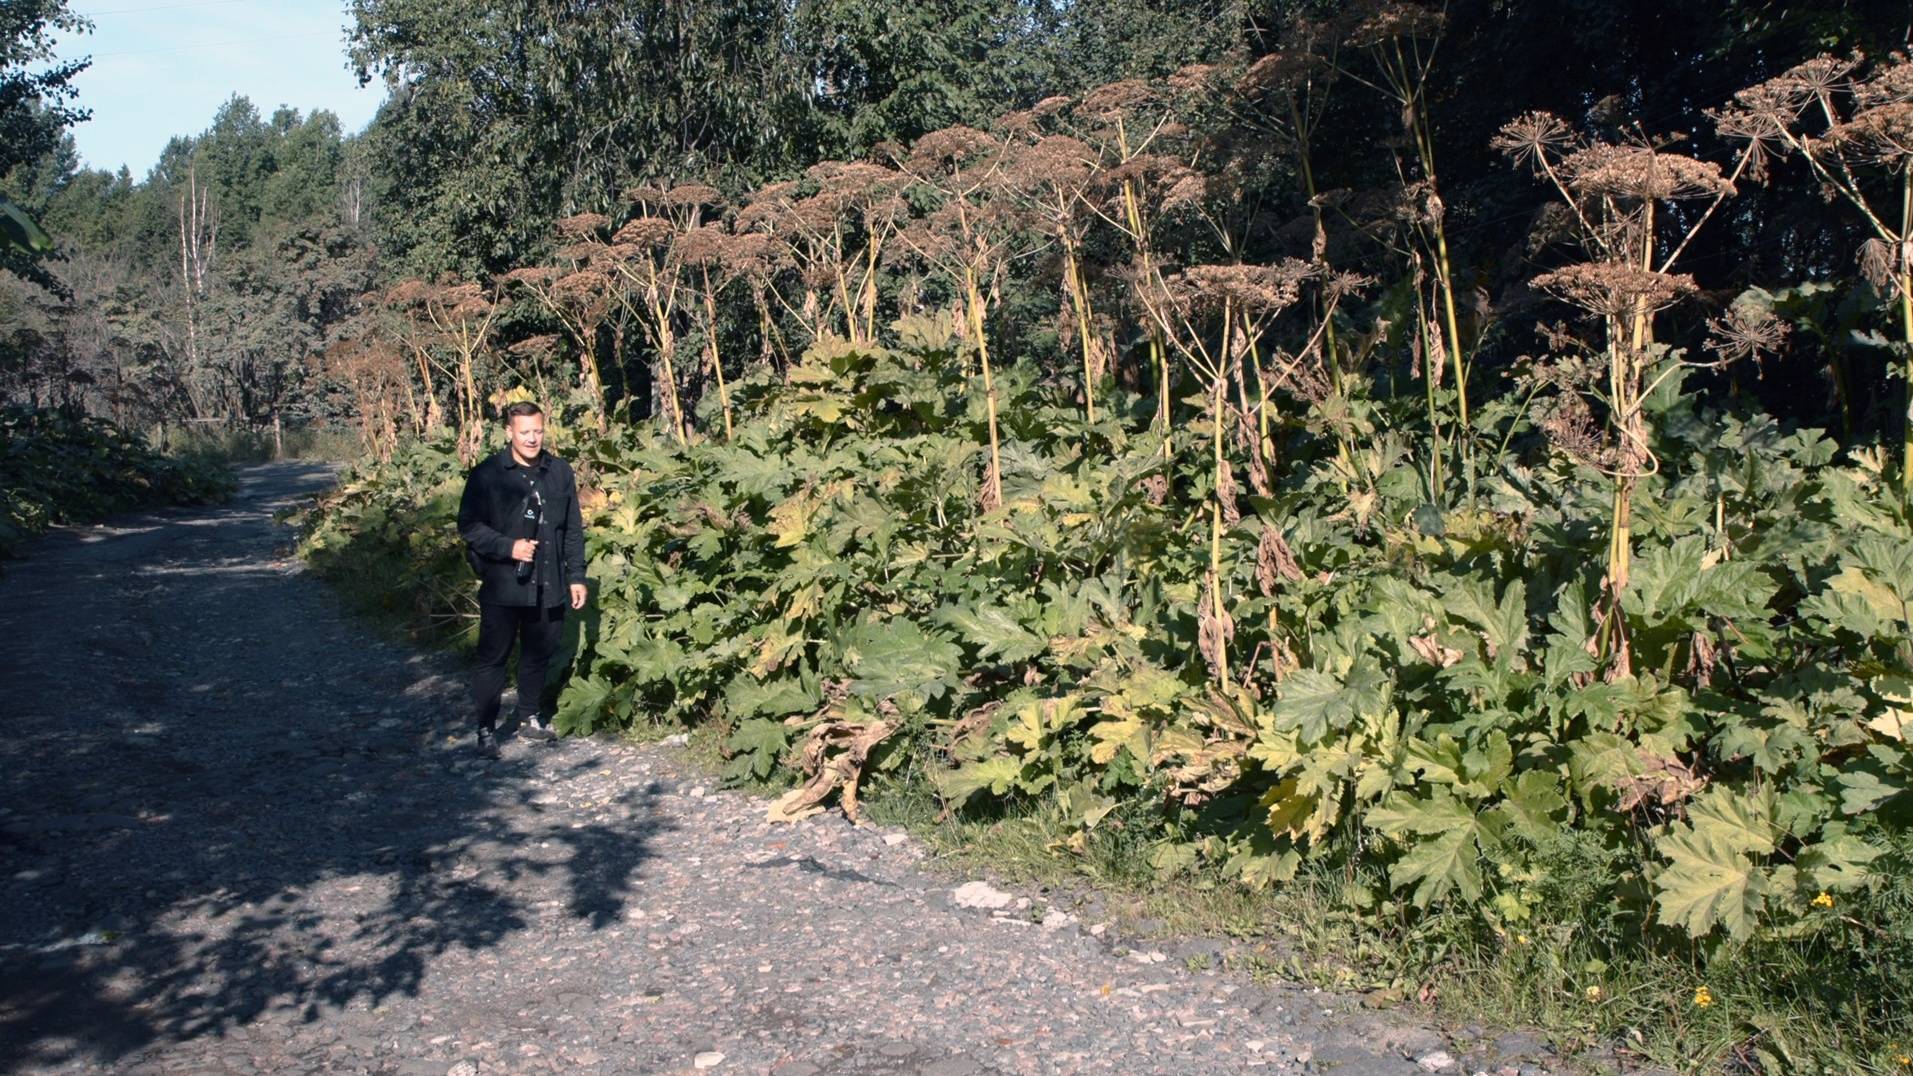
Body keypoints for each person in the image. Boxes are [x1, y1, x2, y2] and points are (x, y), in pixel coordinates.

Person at [457, 401, 588, 753]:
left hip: (550, 583)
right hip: (504, 585)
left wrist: (577, 575)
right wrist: (508, 547)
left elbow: (572, 529)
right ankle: (486, 728)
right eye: (525, 432)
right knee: (493, 658)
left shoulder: (559, 472)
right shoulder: (487, 474)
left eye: (538, 431)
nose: (532, 439)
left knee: (539, 653)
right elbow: (468, 527)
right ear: (509, 432)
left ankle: (529, 717)